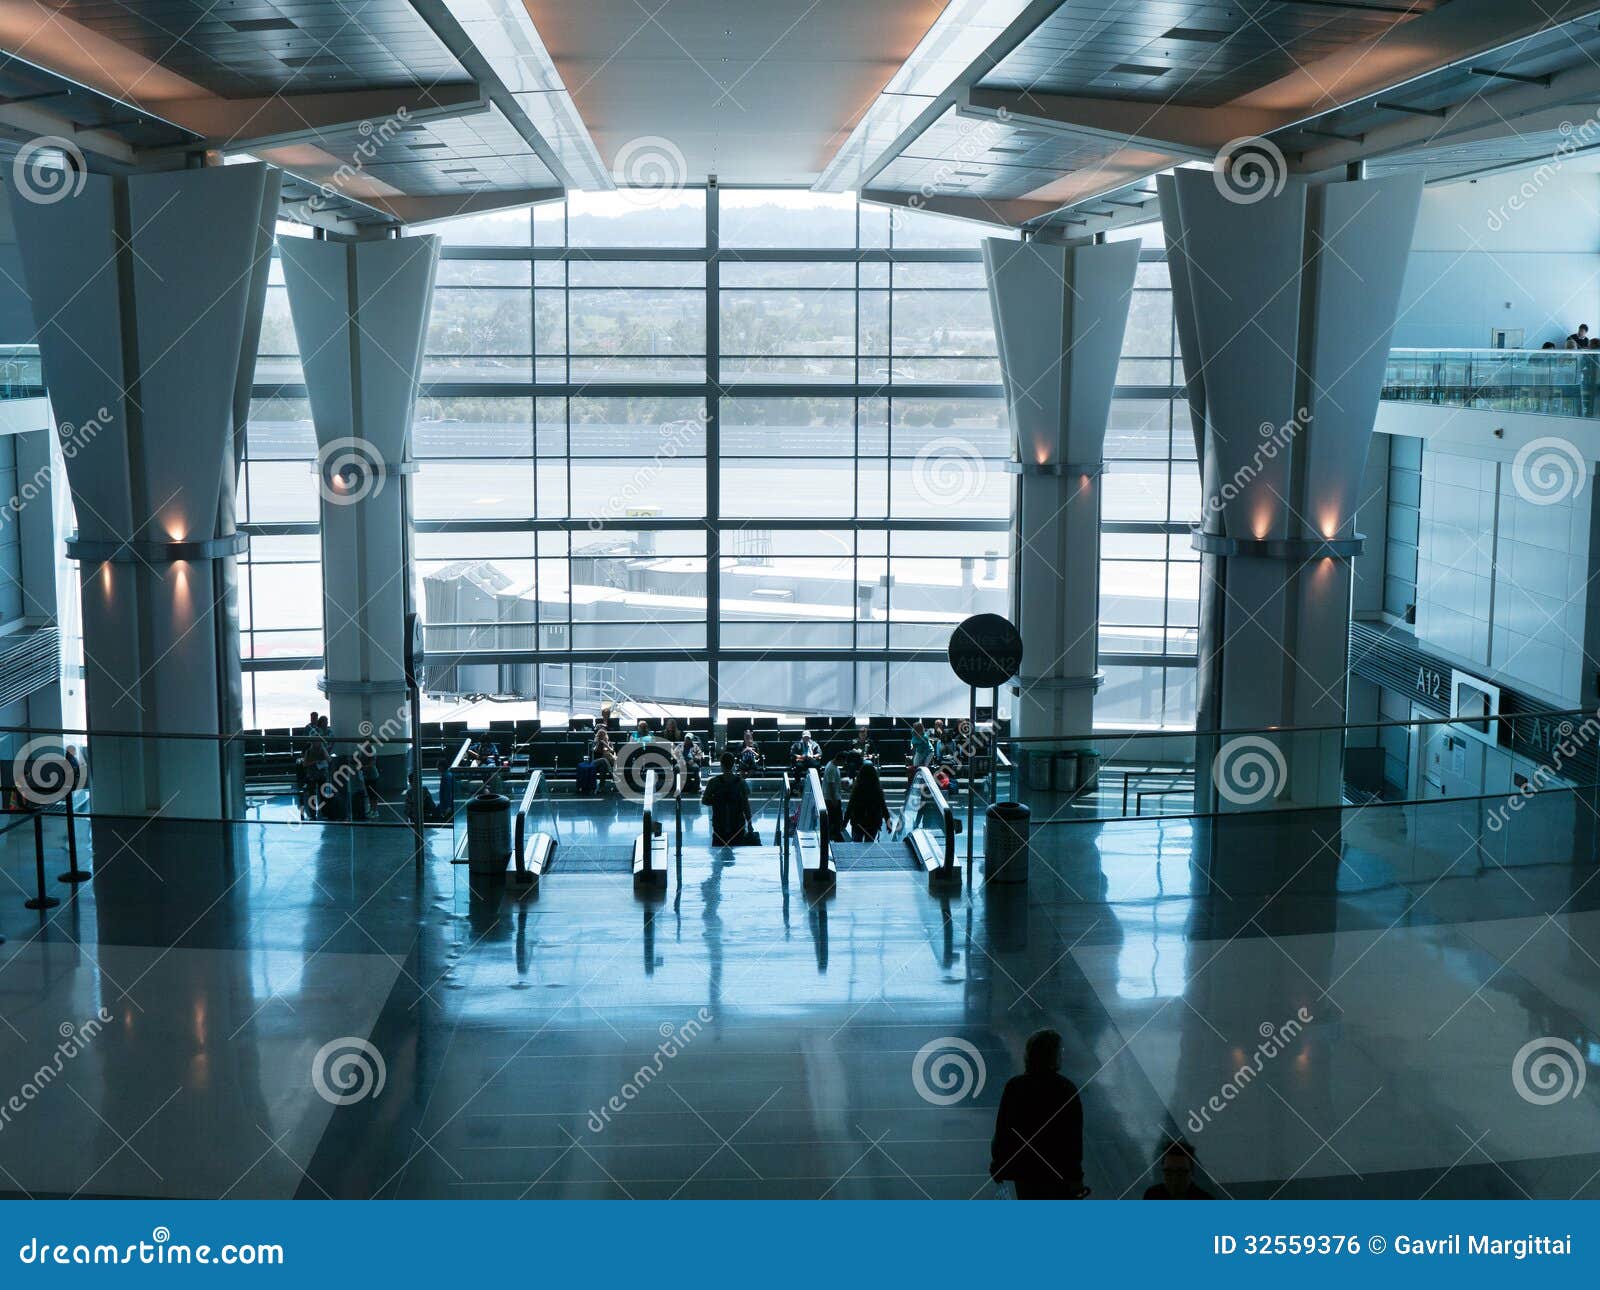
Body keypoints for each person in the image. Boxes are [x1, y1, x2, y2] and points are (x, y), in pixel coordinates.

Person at [989, 1029, 1085, 1200]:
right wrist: (1076, 1176)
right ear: (1054, 1056)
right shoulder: (1066, 1088)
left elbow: (1004, 1128)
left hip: (1025, 1169)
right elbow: (1073, 1138)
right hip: (1057, 1170)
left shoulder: (1015, 1086)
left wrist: (998, 1162)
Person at [702, 752, 753, 847]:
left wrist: (718, 800)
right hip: (737, 824)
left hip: (719, 824)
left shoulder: (714, 782)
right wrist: (750, 824)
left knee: (718, 850)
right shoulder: (741, 783)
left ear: (721, 764)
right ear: (733, 764)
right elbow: (746, 805)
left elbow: (704, 800)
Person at [1143, 1138, 1212, 1200]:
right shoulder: (1151, 1196)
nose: (1174, 1181)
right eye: (1169, 1173)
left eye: (1181, 1173)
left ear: (1192, 1173)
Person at [845, 761, 894, 842]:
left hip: (858, 822)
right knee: (869, 843)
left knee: (857, 843)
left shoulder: (857, 790)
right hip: (873, 822)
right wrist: (888, 823)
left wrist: (844, 823)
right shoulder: (877, 790)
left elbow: (850, 806)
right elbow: (883, 807)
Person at [822, 755, 846, 843]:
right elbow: (831, 785)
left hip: (834, 796)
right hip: (831, 798)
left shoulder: (833, 766)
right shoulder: (831, 768)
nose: (844, 764)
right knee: (836, 819)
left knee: (834, 819)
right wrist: (834, 799)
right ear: (839, 759)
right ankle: (835, 836)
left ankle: (835, 836)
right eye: (843, 762)